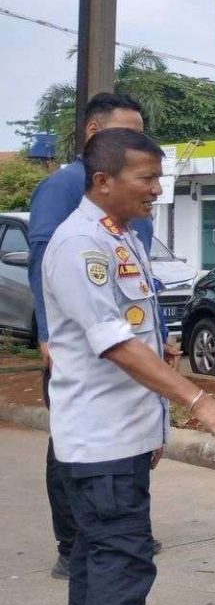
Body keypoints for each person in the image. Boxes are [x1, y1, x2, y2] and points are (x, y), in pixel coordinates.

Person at [44, 128, 215, 605]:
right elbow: (112, 344)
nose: (157, 191)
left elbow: (131, 333)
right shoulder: (81, 245)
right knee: (121, 562)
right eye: (147, 179)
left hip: (123, 434)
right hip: (100, 438)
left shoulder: (117, 238)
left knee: (97, 559)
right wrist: (195, 401)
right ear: (104, 181)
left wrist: (156, 420)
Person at [28, 91, 165, 579]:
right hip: (83, 342)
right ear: (94, 136)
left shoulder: (128, 212)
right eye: (125, 133)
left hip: (124, 349)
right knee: (74, 438)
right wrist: (49, 335)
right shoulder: (68, 189)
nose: (154, 187)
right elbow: (47, 257)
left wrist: (161, 338)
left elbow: (139, 285)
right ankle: (74, 538)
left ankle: (102, 538)